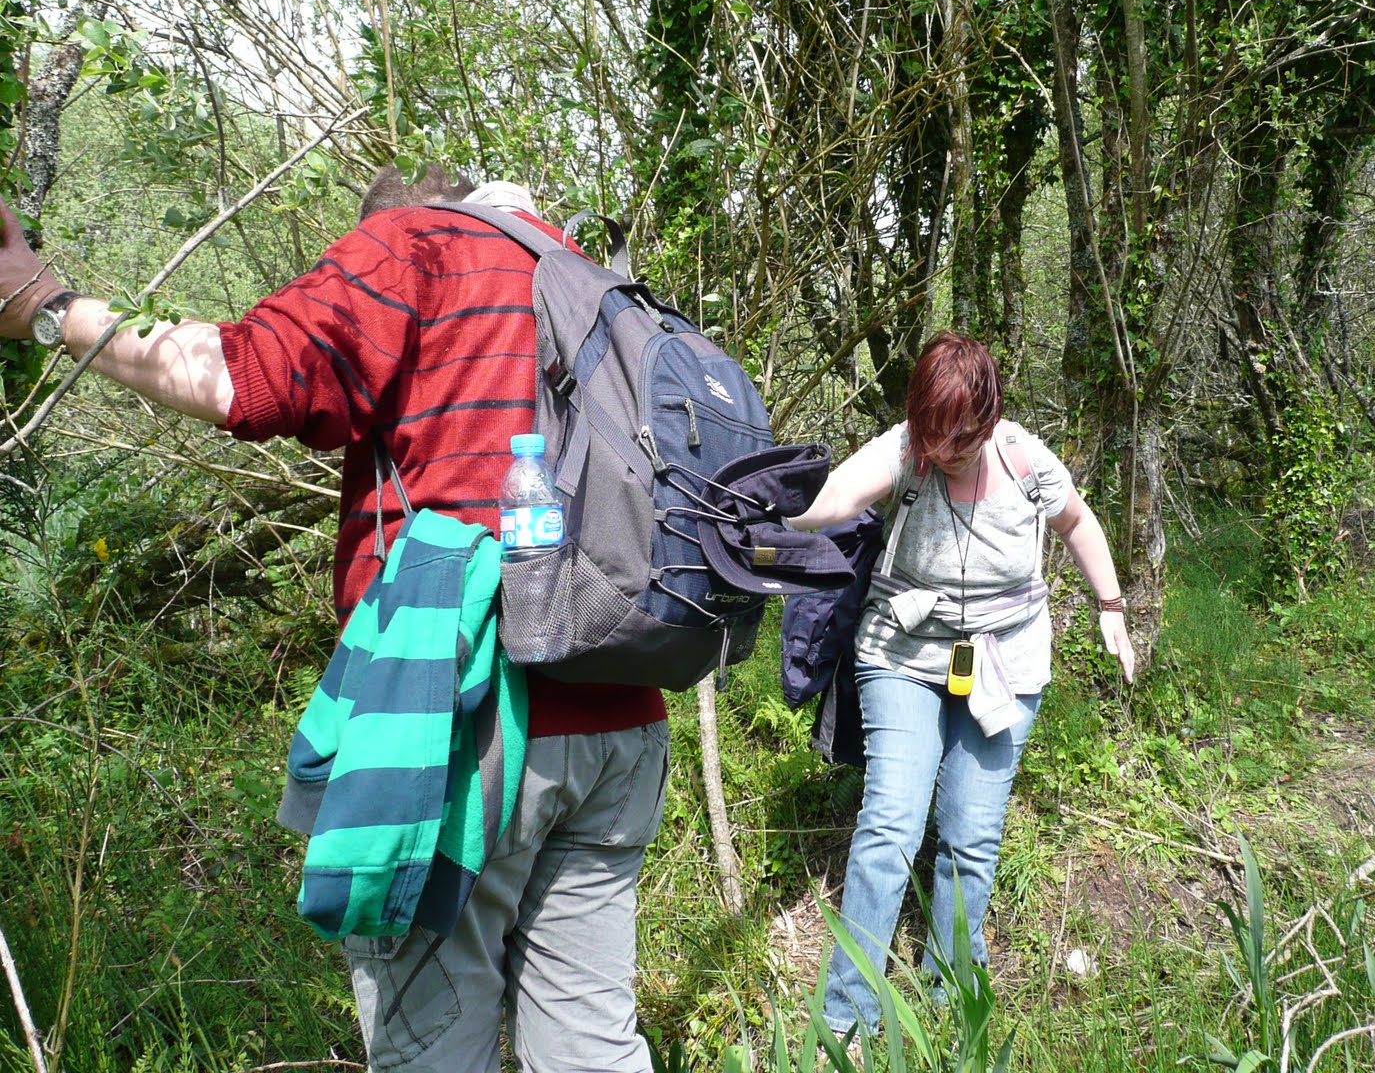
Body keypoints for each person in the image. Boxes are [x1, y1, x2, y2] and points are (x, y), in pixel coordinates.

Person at [0, 169, 668, 1073]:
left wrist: (49, 306)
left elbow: (240, 379)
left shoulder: (417, 246)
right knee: (593, 1046)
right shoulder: (591, 274)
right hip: (623, 714)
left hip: (472, 725)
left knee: (433, 1046)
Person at [786, 329, 1135, 1035]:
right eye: (931, 434)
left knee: (971, 838)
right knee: (891, 824)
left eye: (958, 436)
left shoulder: (1024, 458)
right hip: (903, 652)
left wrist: (1111, 607)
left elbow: (1078, 523)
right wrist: (774, 513)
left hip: (1004, 660)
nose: (942, 451)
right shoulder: (905, 448)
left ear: (988, 416)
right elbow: (834, 498)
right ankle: (848, 1015)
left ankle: (955, 998)